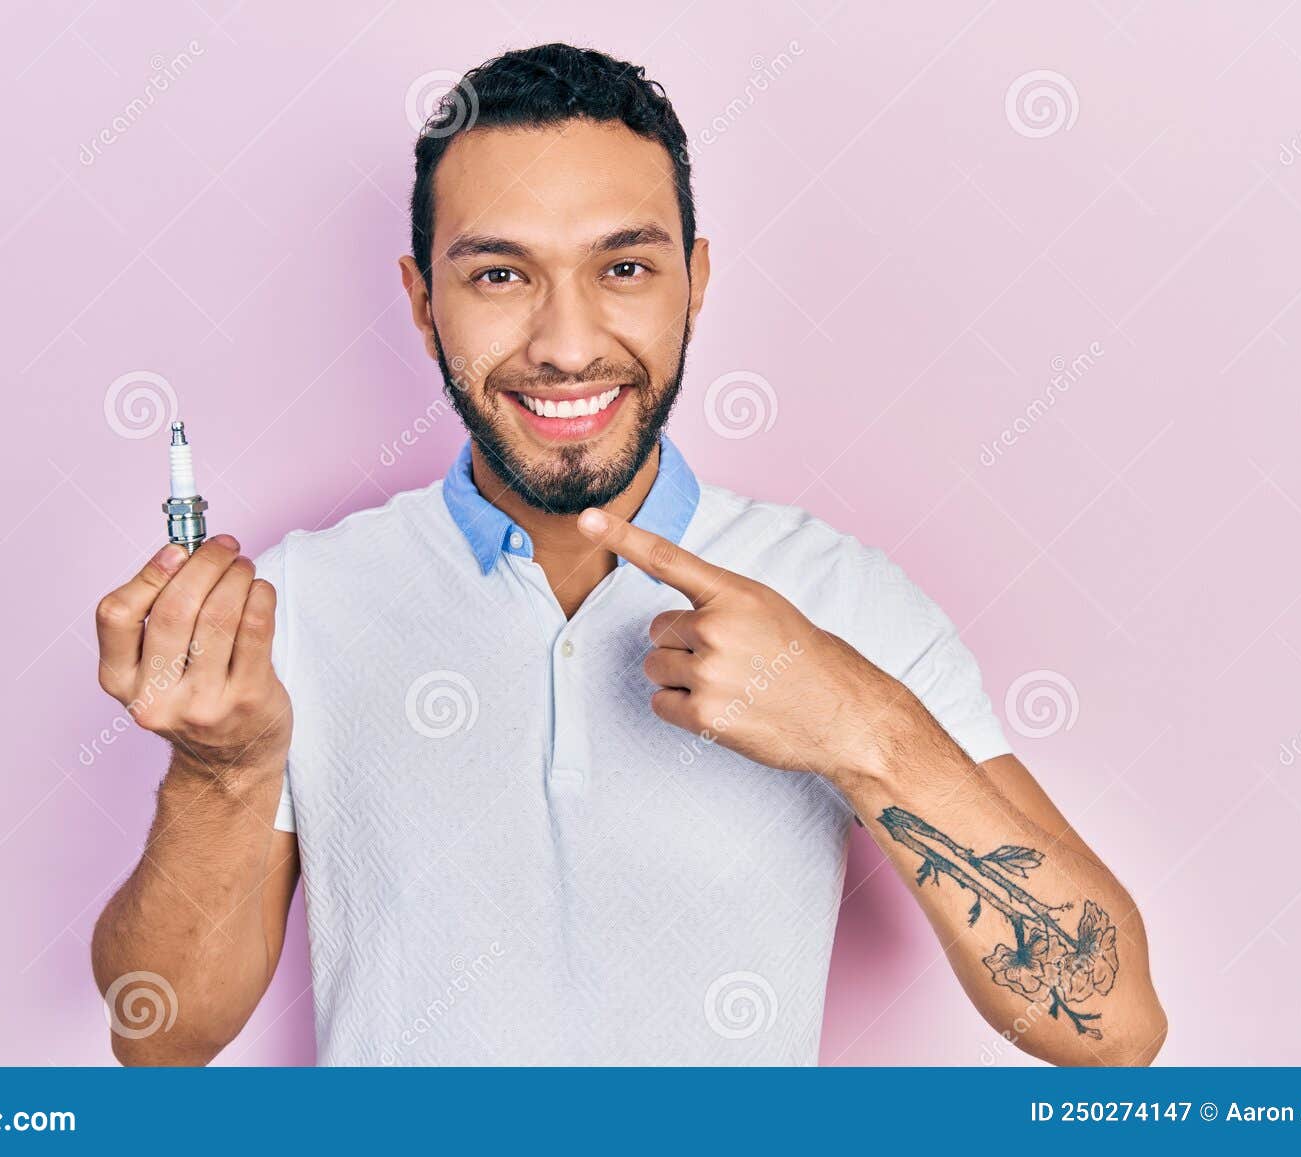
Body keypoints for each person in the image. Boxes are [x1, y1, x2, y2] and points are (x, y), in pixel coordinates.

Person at [90, 43, 1167, 1066]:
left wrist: (857, 724)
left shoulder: (842, 596)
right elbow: (161, 1034)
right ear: (423, 303)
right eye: (500, 276)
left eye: (625, 266)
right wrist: (219, 768)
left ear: (693, 281)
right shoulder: (300, 601)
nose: (566, 343)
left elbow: (1111, 1026)